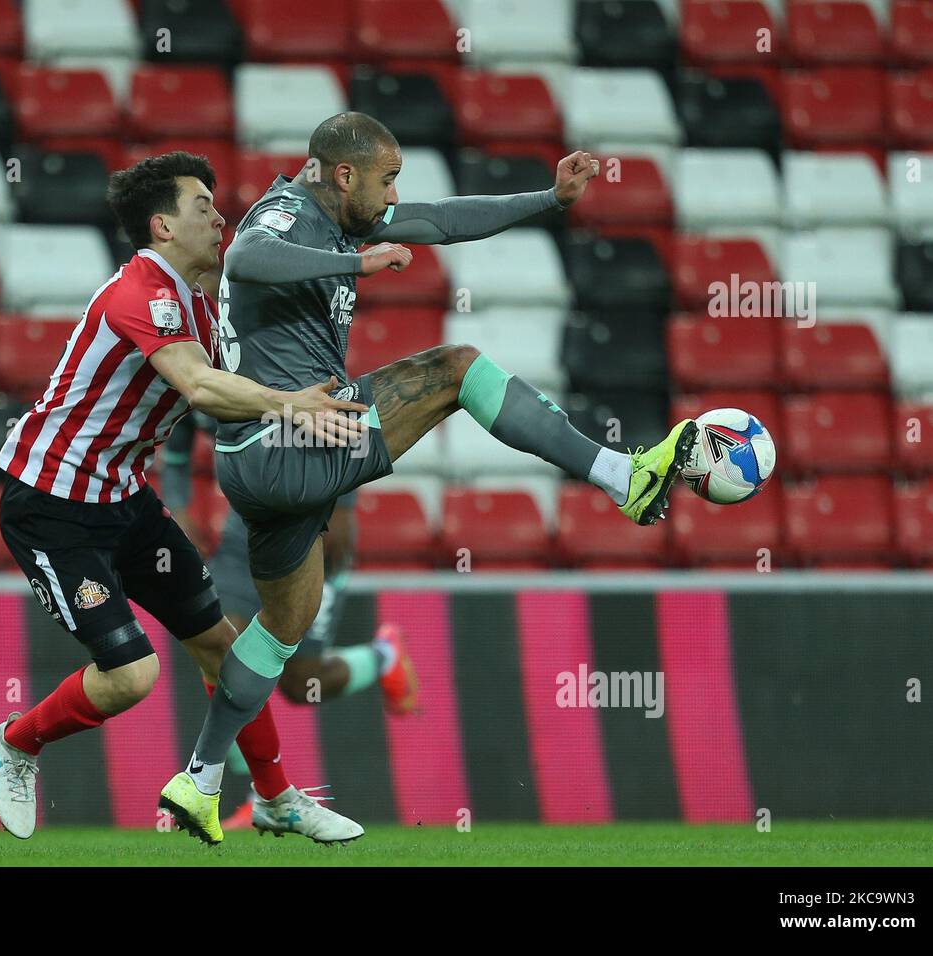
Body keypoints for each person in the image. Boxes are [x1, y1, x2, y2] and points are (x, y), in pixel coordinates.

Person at [159, 112, 699, 843]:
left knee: (279, 634)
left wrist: (549, 200)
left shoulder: (342, 215)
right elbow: (248, 257)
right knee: (458, 368)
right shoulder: (286, 211)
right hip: (286, 440)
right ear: (342, 174)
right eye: (386, 181)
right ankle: (620, 475)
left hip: (255, 466)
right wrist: (358, 265)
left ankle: (202, 779)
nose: (393, 199)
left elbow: (441, 221)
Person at [0, 151, 369, 844]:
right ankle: (17, 743)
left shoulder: (196, 302)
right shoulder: (142, 293)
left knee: (226, 649)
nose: (221, 218)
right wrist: (290, 405)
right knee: (132, 676)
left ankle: (279, 798)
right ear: (161, 227)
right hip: (52, 505)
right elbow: (201, 389)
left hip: (123, 501)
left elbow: (229, 398)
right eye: (203, 208)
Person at [160, 413, 416, 831]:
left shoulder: (288, 351)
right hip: (245, 527)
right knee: (224, 647)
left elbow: (348, 412)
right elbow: (181, 429)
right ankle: (259, 793)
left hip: (316, 521)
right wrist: (179, 504)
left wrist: (345, 505)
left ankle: (385, 655)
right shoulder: (204, 365)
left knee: (302, 682)